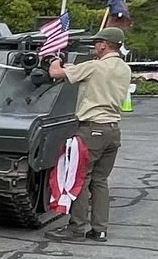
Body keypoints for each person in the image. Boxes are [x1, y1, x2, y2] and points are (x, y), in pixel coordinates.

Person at [47, 28, 133, 240]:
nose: (95, 46)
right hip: (113, 130)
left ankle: (76, 228)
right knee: (100, 181)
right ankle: (100, 229)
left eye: (97, 43)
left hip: (91, 129)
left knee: (80, 179)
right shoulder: (124, 68)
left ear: (104, 45)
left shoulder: (94, 67)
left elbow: (55, 74)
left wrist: (54, 59)